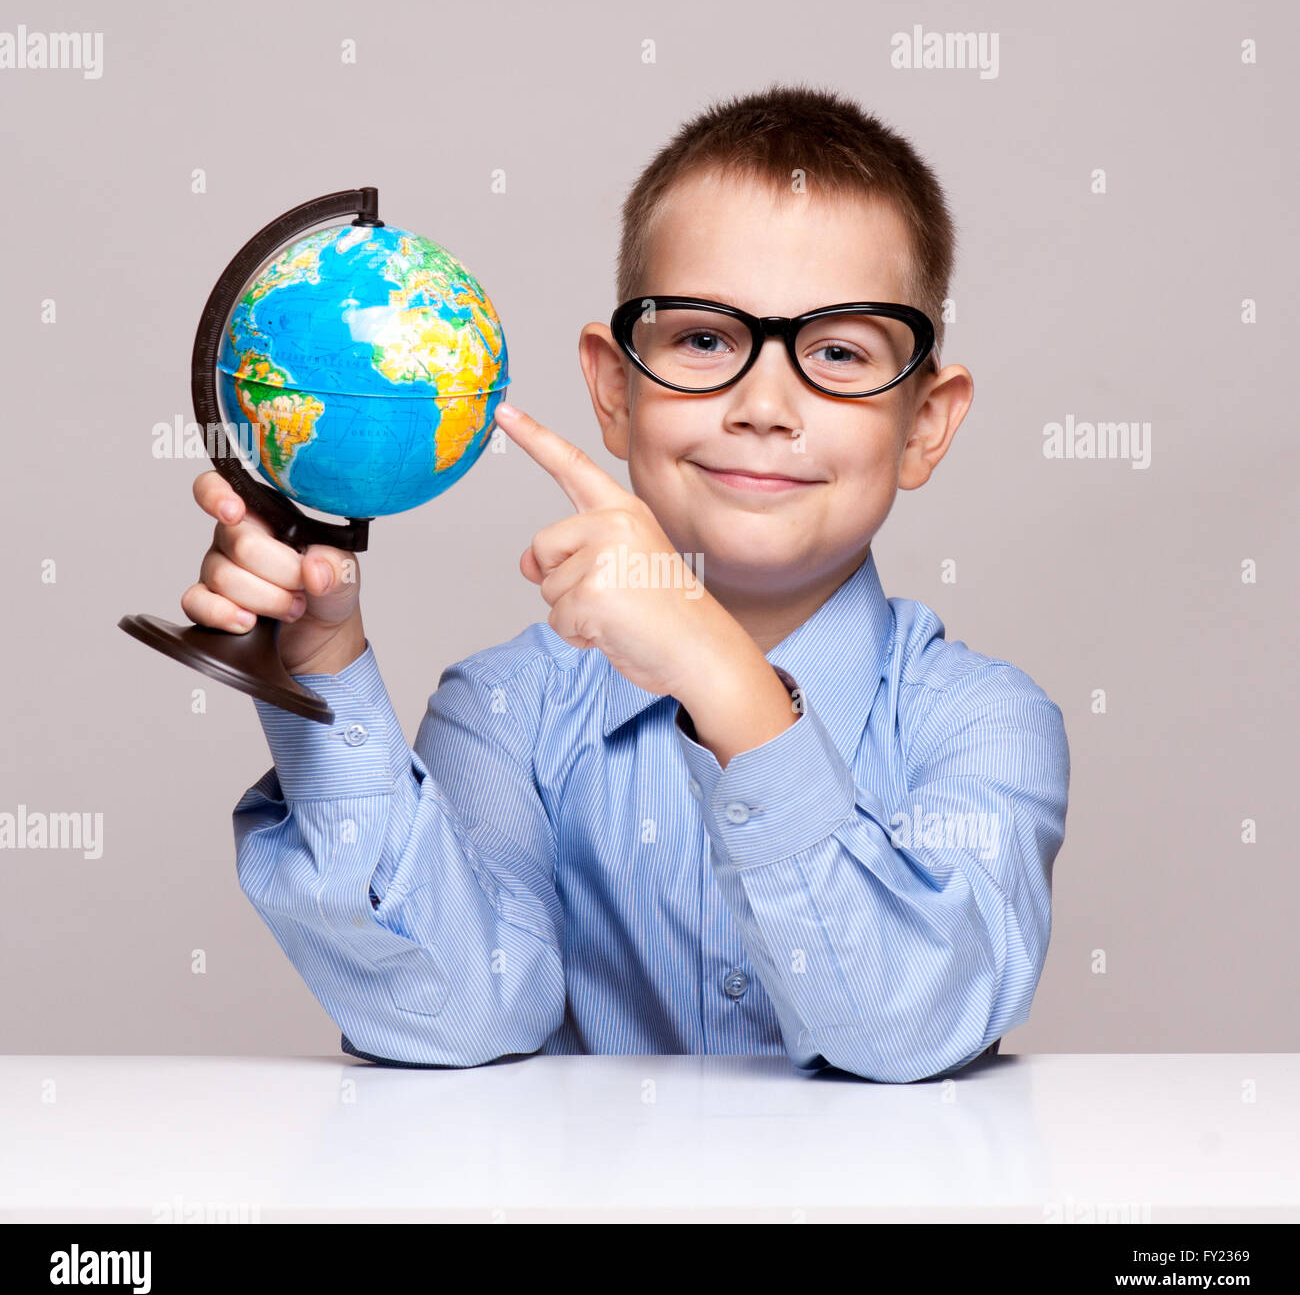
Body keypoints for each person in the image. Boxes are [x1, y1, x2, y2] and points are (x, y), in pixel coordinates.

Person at [184, 84, 1069, 1083]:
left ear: (924, 424)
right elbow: (449, 1013)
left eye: (837, 350)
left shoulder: (987, 722)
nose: (765, 404)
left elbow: (907, 1025)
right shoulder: (507, 711)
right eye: (703, 339)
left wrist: (723, 679)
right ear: (614, 388)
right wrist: (323, 663)